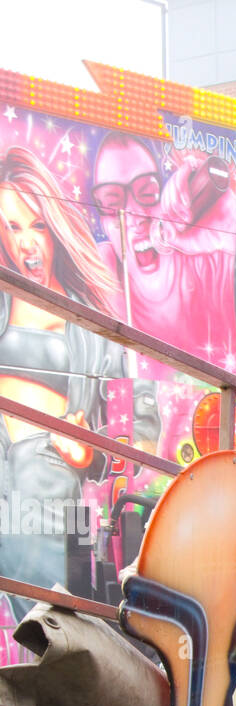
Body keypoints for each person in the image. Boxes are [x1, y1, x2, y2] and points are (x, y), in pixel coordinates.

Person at [0, 146, 123, 617]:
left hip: (52, 503)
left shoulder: (89, 327)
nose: (25, 243)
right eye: (11, 226)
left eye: (36, 226)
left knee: (45, 633)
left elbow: (128, 443)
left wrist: (88, 453)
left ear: (55, 229)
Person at [92, 132, 236, 359]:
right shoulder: (105, 279)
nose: (136, 216)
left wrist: (234, 229)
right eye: (112, 202)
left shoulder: (210, 265)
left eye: (147, 192)